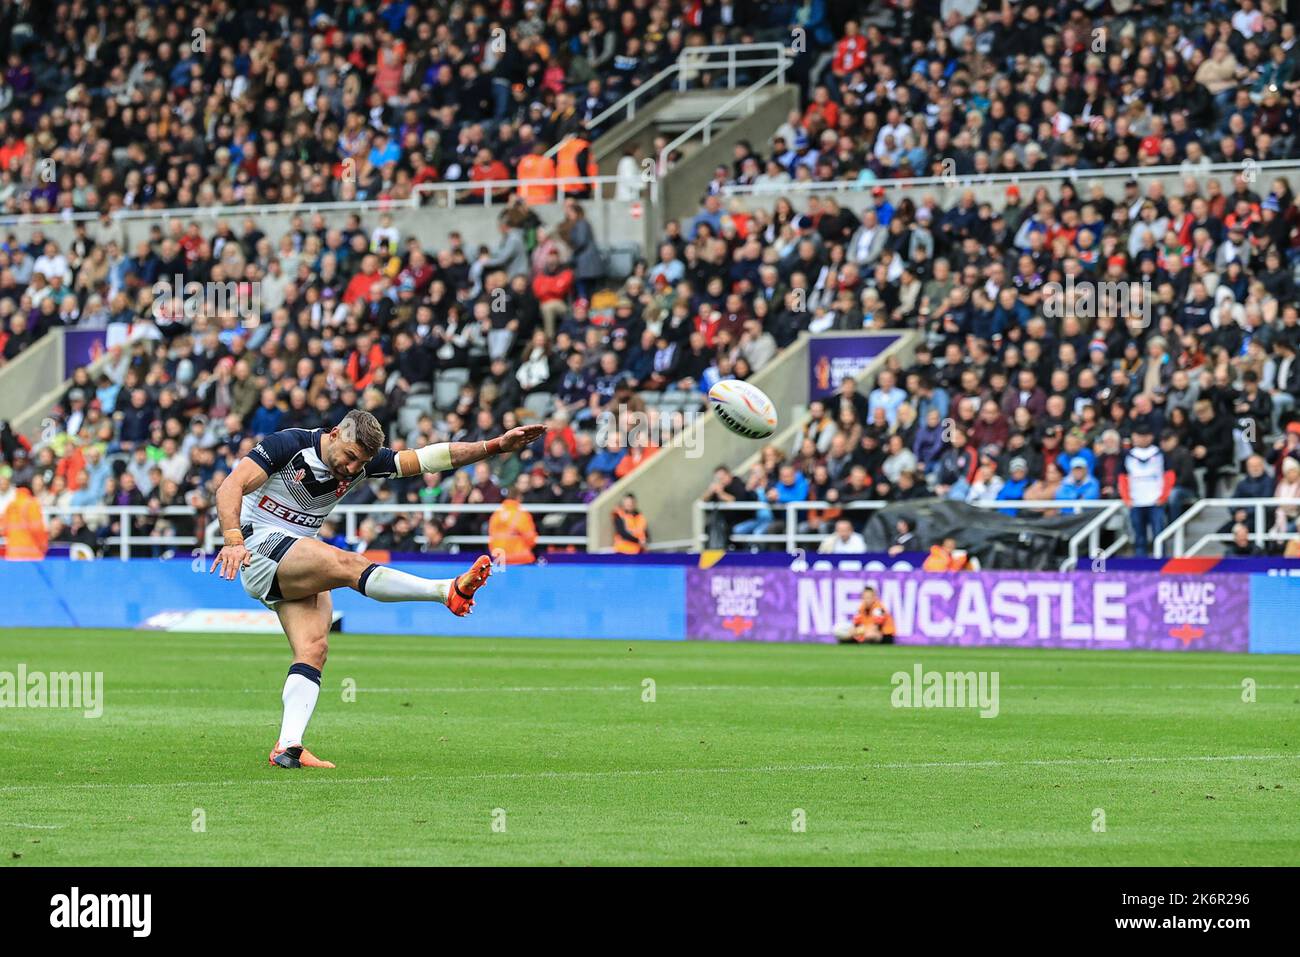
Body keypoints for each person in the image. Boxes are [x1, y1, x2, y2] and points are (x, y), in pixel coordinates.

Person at [209, 410, 544, 769]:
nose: (353, 469)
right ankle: (446, 591)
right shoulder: (289, 445)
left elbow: (430, 459)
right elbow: (231, 485)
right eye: (350, 457)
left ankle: (288, 746)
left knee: (314, 648)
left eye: (362, 462)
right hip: (257, 548)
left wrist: (493, 446)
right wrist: (232, 539)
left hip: (295, 557)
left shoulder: (365, 463)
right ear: (335, 434)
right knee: (347, 563)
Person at [1119, 424, 1173, 556]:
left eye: (1145, 436)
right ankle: (1140, 567)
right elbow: (1122, 477)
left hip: (1155, 501)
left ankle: (1161, 564)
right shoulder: (1128, 455)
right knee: (1139, 537)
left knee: (1159, 535)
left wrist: (1163, 496)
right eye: (1139, 436)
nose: (1142, 439)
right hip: (1136, 501)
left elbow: (1169, 475)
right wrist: (1126, 497)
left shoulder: (1160, 454)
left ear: (1151, 437)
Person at [1, 481, 48, 560]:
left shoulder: (10, 505)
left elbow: (3, 530)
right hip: (31, 555)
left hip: (12, 555)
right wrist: (43, 546)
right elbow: (38, 529)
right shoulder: (32, 504)